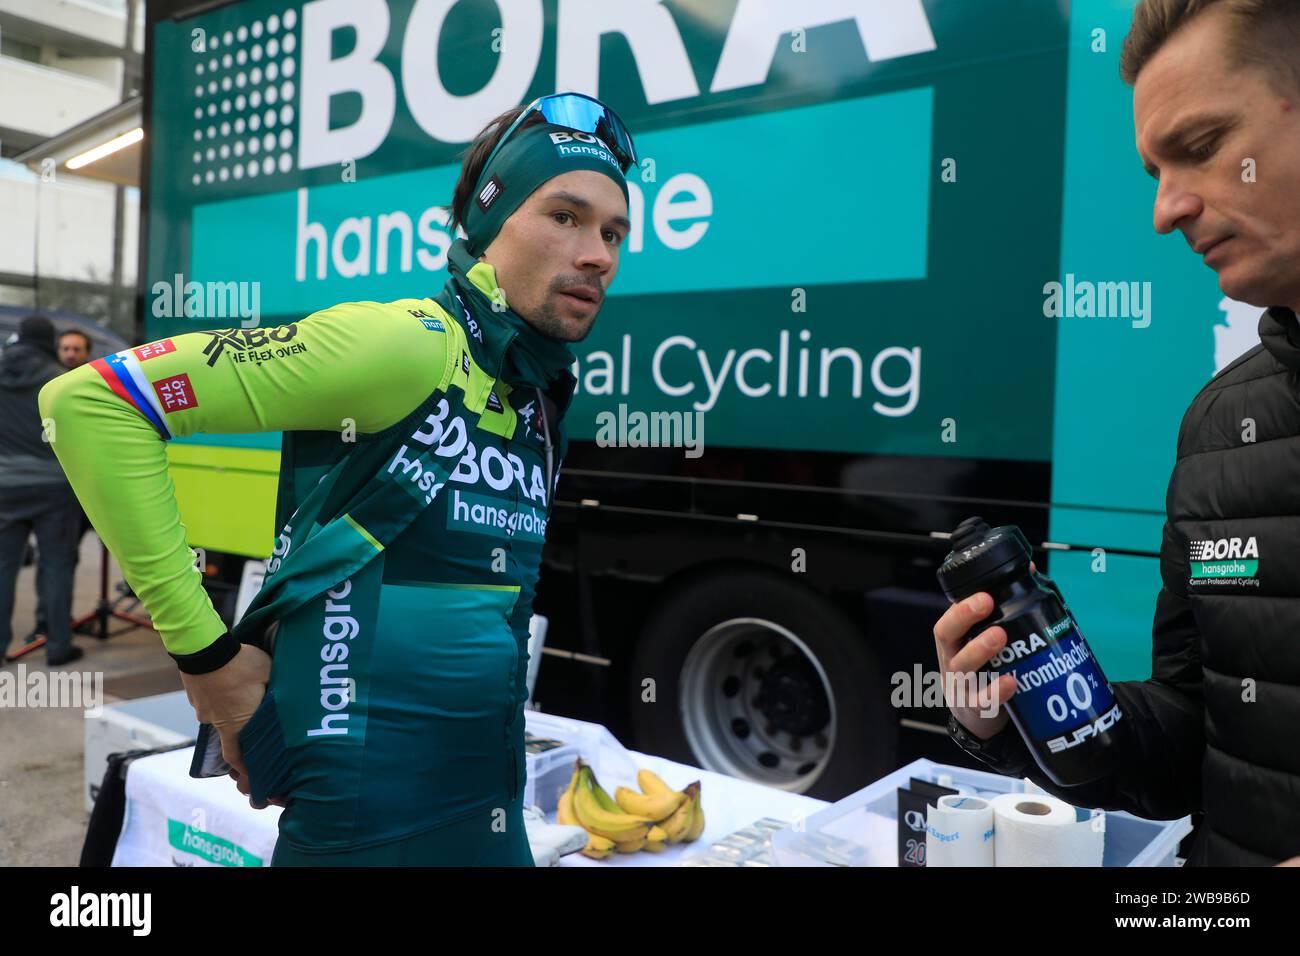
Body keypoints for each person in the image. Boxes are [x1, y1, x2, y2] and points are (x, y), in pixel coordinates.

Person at [39, 92, 636, 866]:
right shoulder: (401, 343)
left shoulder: (536, 398)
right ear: (488, 229)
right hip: (358, 827)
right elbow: (91, 404)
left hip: (488, 813)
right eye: (565, 216)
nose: (598, 253)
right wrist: (207, 663)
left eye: (613, 232)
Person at [933, 0, 1300, 866]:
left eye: (1203, 146)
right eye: (1153, 173)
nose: (1166, 212)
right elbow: (1187, 748)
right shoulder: (1220, 426)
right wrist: (1016, 713)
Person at [0, 317, 85, 666]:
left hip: (4, 486)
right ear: (49, 341)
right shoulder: (59, 379)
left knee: (3, 568)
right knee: (56, 566)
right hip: (54, 487)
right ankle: (58, 646)